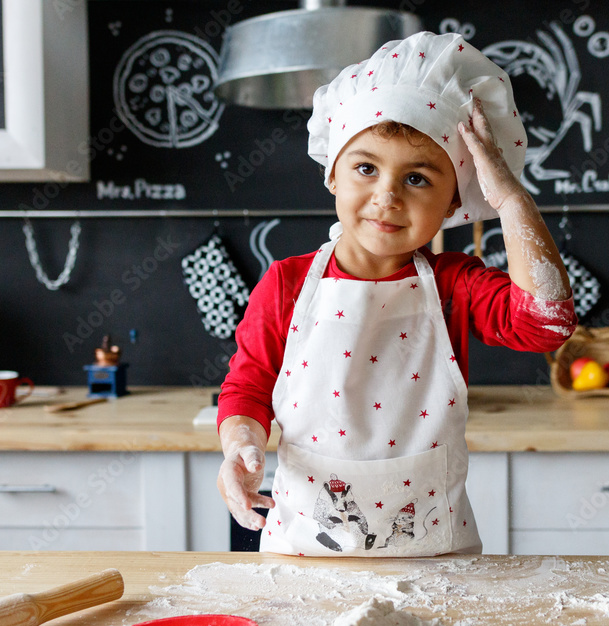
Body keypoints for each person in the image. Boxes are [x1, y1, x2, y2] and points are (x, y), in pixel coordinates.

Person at [216, 31, 577, 556]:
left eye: (418, 179)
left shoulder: (455, 284)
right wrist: (240, 447)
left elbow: (546, 324)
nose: (386, 195)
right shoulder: (287, 284)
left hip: (435, 558)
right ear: (332, 175)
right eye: (366, 168)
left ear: (453, 202)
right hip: (304, 554)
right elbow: (248, 387)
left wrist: (510, 198)